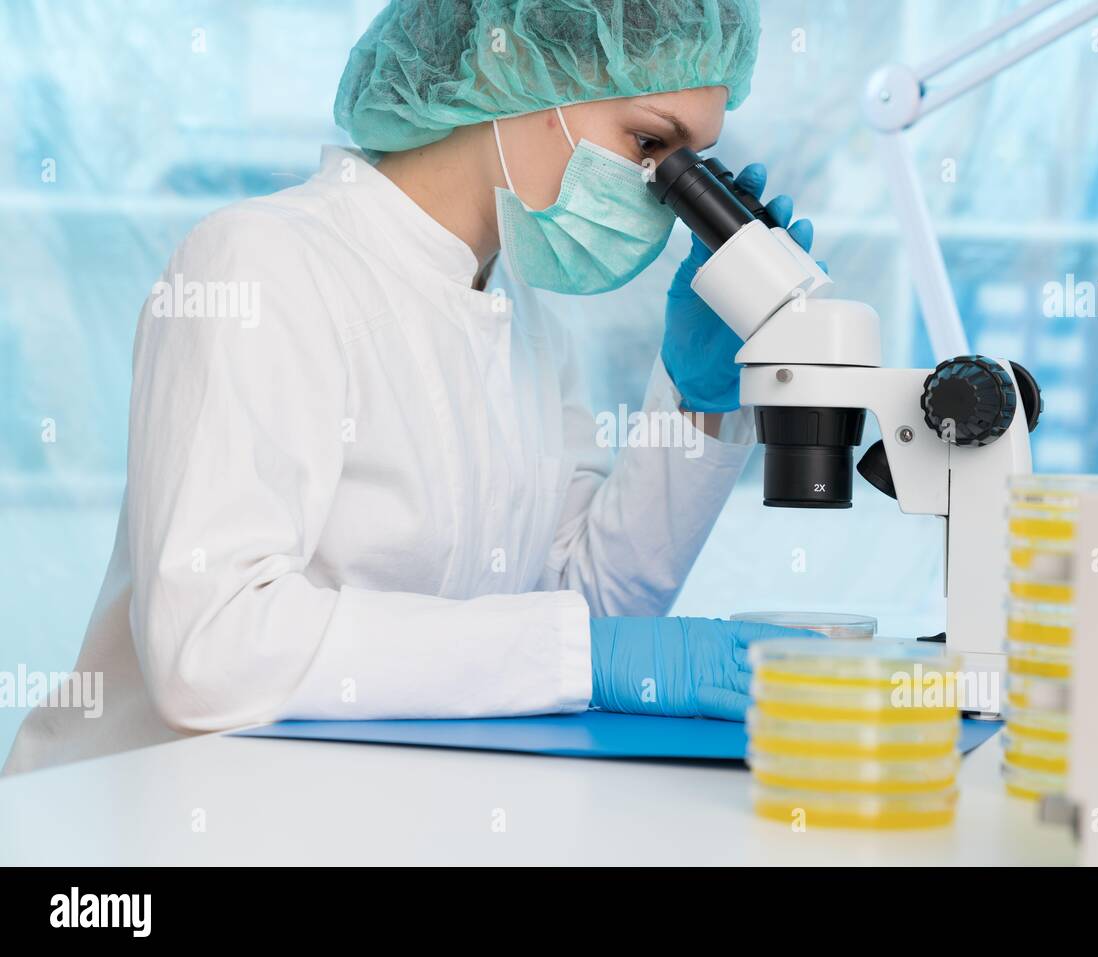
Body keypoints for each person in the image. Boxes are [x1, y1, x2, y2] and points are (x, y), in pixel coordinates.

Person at [4, 0, 823, 774]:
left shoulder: (522, 317)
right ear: (517, 73)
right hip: (143, 831)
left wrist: (698, 402)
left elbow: (582, 610)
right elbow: (211, 650)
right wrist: (581, 653)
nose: (662, 192)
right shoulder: (260, 266)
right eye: (649, 145)